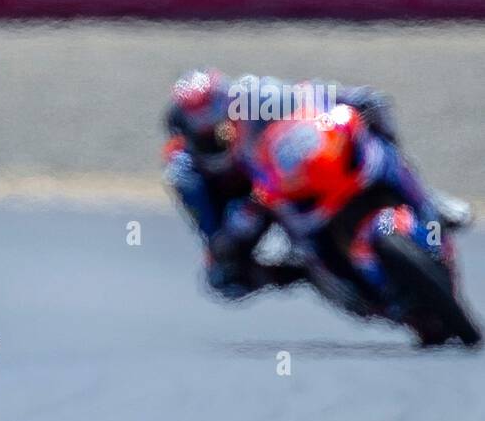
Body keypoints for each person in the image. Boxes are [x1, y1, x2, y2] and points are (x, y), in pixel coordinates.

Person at [162, 69, 470, 299]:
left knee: (371, 109)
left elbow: (311, 96)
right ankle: (323, 276)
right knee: (224, 279)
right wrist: (239, 235)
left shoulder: (257, 96)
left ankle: (427, 198)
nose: (224, 135)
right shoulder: (188, 173)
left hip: (300, 167)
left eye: (227, 124)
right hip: (264, 205)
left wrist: (344, 106)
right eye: (212, 136)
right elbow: (216, 242)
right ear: (187, 135)